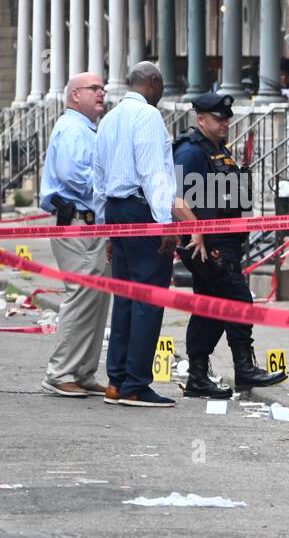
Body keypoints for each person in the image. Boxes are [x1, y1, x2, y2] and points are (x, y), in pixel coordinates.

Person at [93, 61, 206, 408]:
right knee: (148, 299)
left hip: (115, 209)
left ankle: (116, 380)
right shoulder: (148, 117)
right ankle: (136, 384)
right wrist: (166, 224)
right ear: (155, 83)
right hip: (142, 210)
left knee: (125, 296)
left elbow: (97, 177)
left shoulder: (109, 118)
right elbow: (155, 175)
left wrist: (107, 229)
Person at [173, 92, 288, 398]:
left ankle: (198, 376)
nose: (225, 123)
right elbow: (174, 197)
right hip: (208, 244)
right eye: (217, 118)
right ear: (200, 119)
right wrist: (196, 231)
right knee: (238, 299)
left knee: (209, 309)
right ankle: (244, 369)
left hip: (225, 241)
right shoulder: (191, 152)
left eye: (227, 118)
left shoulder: (216, 149)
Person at [38, 72, 111, 399]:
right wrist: (112, 188)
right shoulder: (71, 129)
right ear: (74, 95)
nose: (102, 92)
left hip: (91, 224)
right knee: (82, 296)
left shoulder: (87, 129)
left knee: (96, 299)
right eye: (94, 88)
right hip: (78, 223)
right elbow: (74, 176)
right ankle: (61, 372)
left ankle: (81, 371)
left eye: (102, 87)